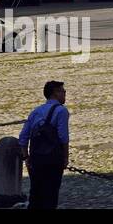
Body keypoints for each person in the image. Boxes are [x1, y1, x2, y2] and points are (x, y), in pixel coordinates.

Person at [18, 81, 69, 210]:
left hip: (36, 158)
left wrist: (26, 157)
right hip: (53, 158)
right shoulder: (61, 111)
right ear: (55, 92)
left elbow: (23, 137)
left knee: (35, 194)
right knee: (51, 195)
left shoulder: (36, 111)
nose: (64, 94)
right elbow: (63, 137)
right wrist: (65, 158)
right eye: (63, 91)